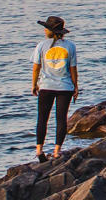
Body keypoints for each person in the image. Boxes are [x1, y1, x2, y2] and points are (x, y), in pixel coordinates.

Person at [30, 16, 78, 162]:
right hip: (65, 87)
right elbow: (73, 69)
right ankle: (57, 151)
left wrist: (34, 84)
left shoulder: (41, 46)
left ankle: (39, 150)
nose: (44, 31)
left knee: (42, 118)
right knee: (61, 119)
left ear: (51, 31)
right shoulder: (70, 46)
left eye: (46, 28)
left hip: (46, 87)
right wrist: (76, 86)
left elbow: (36, 68)